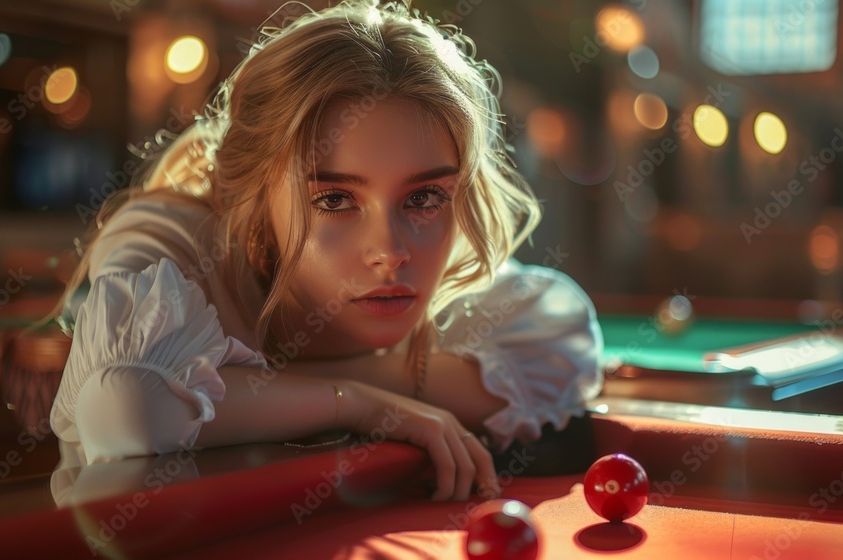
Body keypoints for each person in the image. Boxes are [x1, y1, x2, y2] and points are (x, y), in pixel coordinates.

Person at [48, 0, 603, 502]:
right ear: (254, 196)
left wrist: (336, 384)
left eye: (425, 197)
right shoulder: (172, 240)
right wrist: (358, 402)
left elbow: (563, 340)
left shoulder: (471, 292)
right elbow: (128, 407)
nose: (389, 252)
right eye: (335, 198)